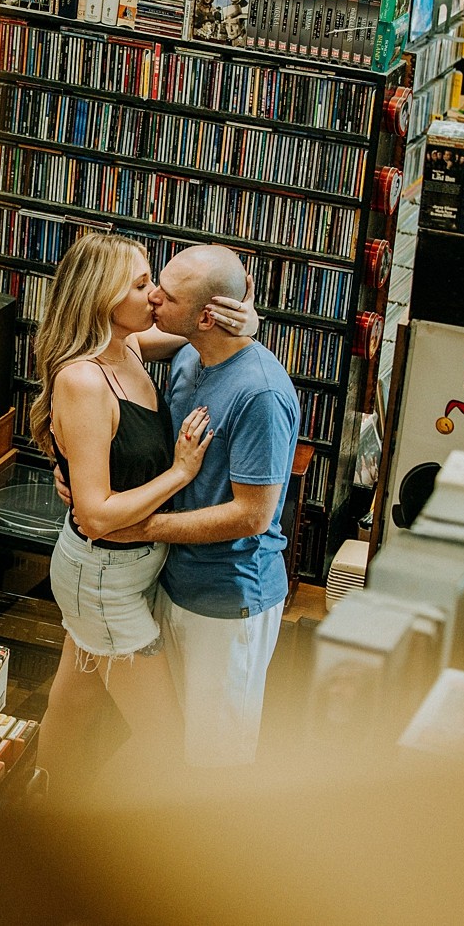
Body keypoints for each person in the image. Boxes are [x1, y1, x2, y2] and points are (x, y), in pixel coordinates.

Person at [29, 235, 256, 800]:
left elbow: (200, 327)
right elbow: (97, 515)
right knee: (164, 740)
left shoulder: (130, 346)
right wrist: (180, 473)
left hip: (119, 575)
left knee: (71, 703)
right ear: (103, 298)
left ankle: (41, 802)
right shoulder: (83, 379)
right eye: (139, 286)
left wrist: (247, 315)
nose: (154, 294)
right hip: (105, 582)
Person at [62, 244, 299, 769]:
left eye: (163, 295)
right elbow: (107, 375)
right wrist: (80, 472)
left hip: (228, 598)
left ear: (205, 315)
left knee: (215, 760)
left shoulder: (259, 394)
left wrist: (143, 527)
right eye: (150, 286)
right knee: (164, 737)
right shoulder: (189, 352)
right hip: (171, 582)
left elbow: (252, 515)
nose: (152, 299)